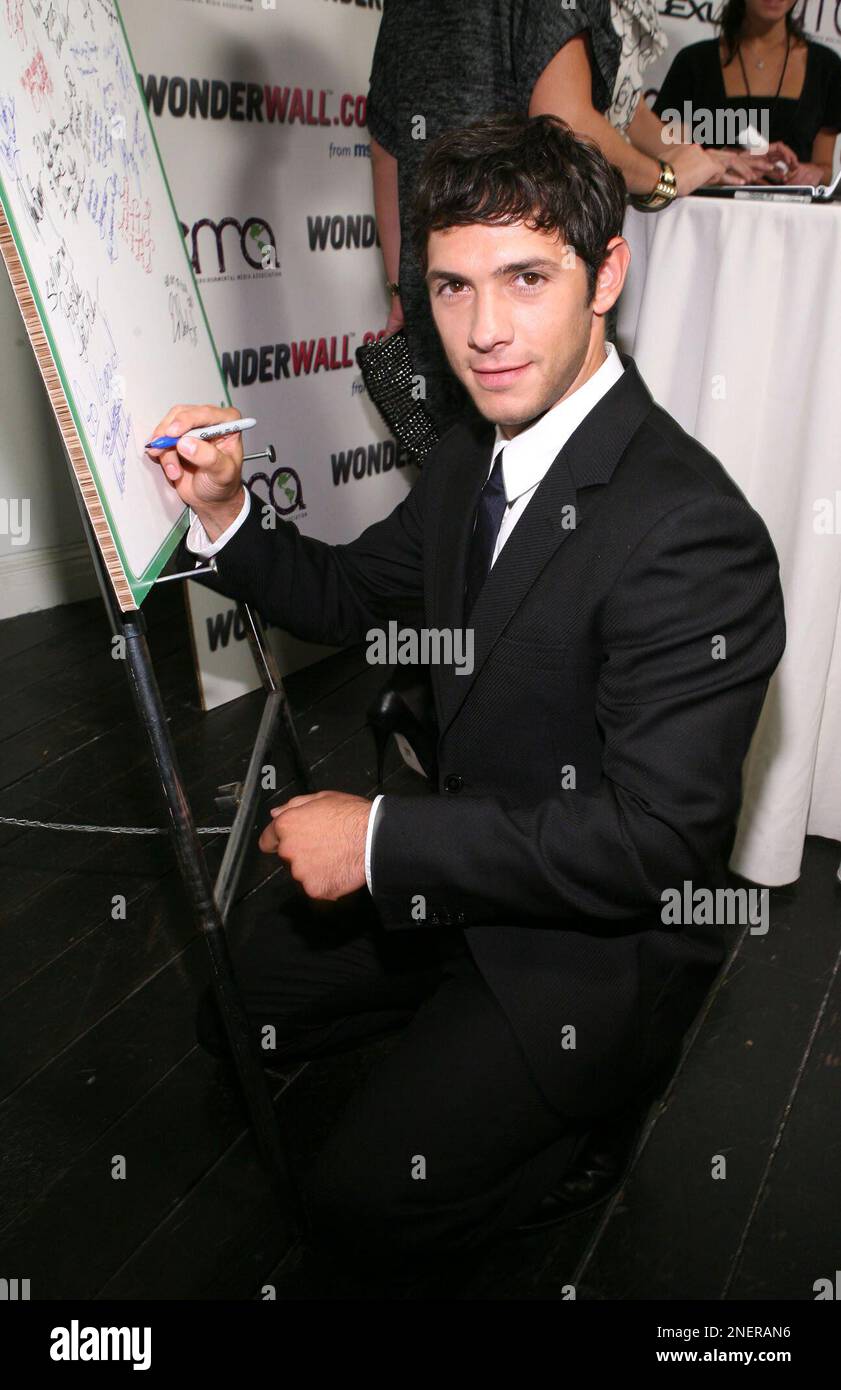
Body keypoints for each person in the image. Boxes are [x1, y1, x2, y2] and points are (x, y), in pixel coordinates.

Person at [146, 114, 786, 1280]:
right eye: (450, 287)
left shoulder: (691, 531)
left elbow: (655, 841)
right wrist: (225, 510)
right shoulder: (470, 453)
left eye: (525, 279)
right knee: (231, 1008)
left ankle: (593, 1111)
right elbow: (344, 595)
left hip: (588, 945)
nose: (482, 331)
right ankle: (450, 1026)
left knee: (354, 1208)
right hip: (461, 880)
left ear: (608, 276)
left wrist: (382, 835)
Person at [367, 0, 766, 434]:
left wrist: (409, 284)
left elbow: (387, 144)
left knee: (466, 471)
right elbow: (566, 119)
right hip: (534, 261)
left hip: (443, 282)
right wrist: (665, 178)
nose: (486, 332)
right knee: (552, 466)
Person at [653, 0, 841, 187]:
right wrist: (723, 161)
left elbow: (824, 169)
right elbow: (661, 149)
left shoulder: (826, 68)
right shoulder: (694, 63)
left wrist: (813, 173)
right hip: (710, 212)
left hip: (791, 214)